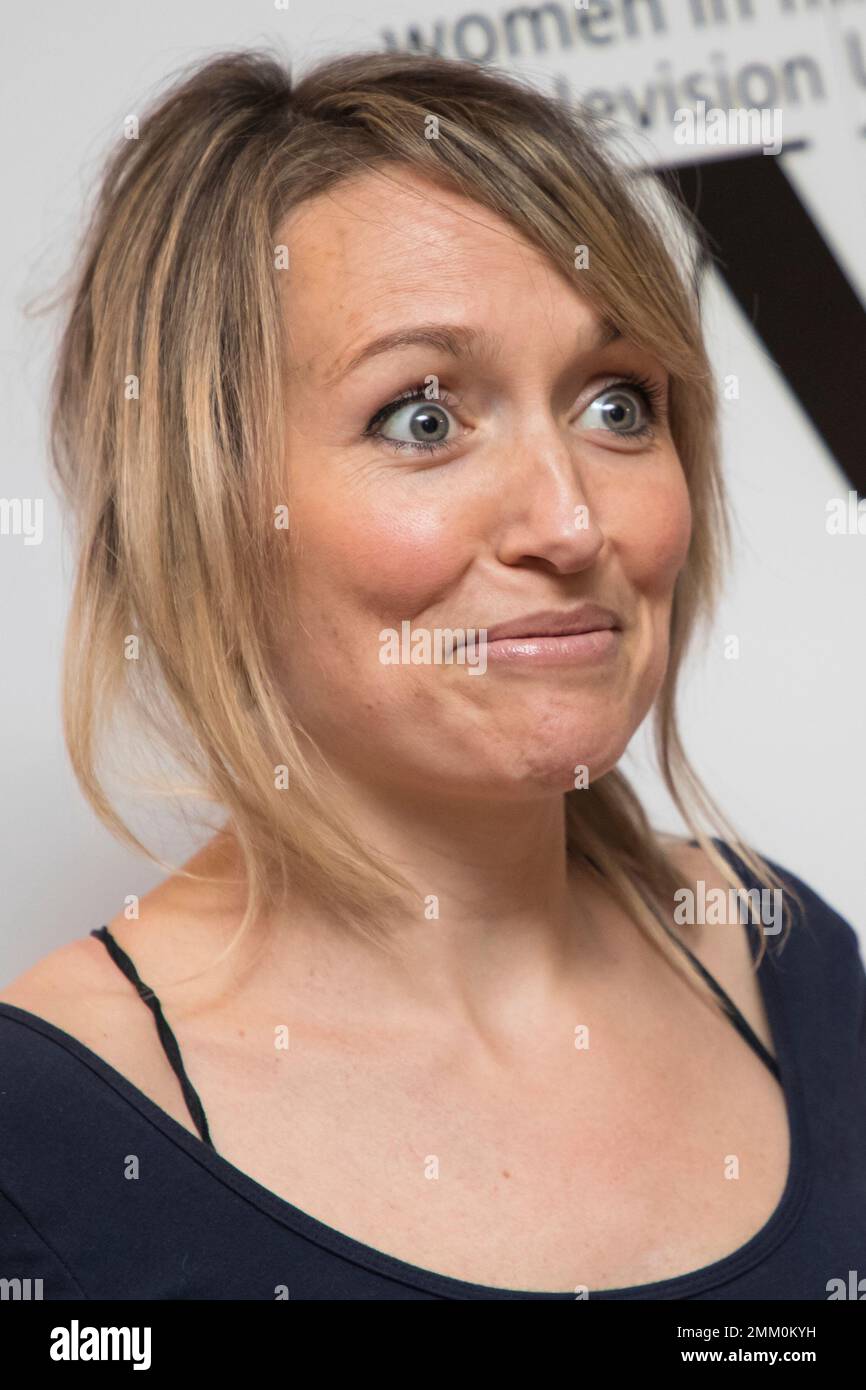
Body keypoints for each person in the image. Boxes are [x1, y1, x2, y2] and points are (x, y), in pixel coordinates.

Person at [1, 48, 863, 1301]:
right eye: (422, 416)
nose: (569, 521)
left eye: (616, 404)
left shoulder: (778, 956)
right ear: (204, 506)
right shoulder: (44, 1145)